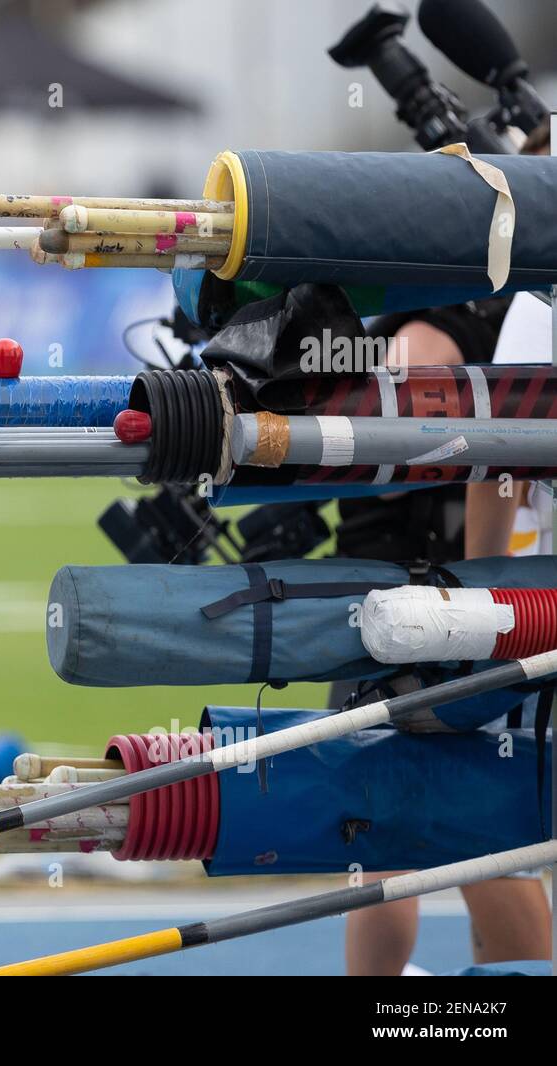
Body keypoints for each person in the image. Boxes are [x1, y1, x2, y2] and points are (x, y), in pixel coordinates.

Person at [342, 118, 554, 975]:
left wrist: (478, 595)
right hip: (463, 588)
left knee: (416, 829)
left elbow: (490, 466)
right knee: (464, 828)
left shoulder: (471, 310)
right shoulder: (506, 301)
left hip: (433, 591)